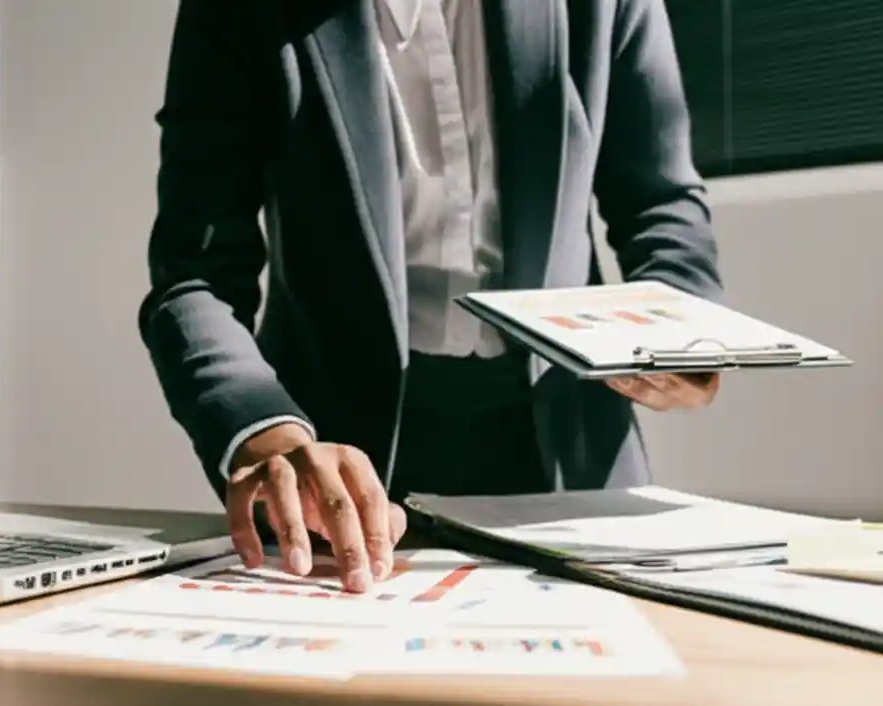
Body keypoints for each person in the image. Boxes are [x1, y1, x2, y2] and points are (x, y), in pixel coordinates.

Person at [138, 0, 722, 593]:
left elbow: (660, 201)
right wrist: (265, 432)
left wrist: (683, 330)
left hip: (570, 454)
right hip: (343, 472)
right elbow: (196, 275)